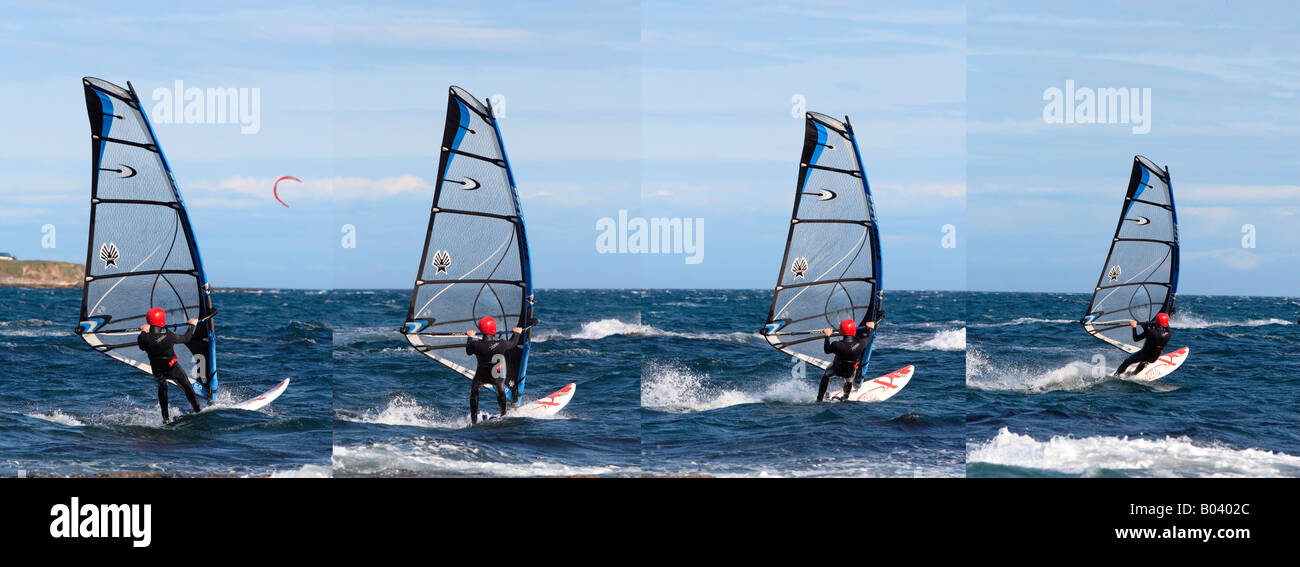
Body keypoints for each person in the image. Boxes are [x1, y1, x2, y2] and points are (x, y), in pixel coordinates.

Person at [136, 307, 202, 423]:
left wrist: (143, 331)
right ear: (162, 321)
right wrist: (192, 325)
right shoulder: (169, 336)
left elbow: (143, 345)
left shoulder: (143, 338)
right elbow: (186, 338)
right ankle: (197, 410)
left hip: (157, 370)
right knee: (187, 387)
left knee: (163, 389)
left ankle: (165, 418)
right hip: (172, 368)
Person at [465, 316, 524, 424]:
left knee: (474, 391)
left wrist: (470, 337)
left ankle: (474, 420)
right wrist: (517, 333)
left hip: (481, 376)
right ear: (494, 330)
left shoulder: (476, 344)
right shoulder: (501, 344)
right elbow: (513, 343)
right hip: (496, 375)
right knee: (500, 390)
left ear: (481, 330)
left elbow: (468, 351)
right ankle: (503, 414)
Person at [818, 318, 876, 402]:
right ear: (854, 331)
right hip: (849, 372)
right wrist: (870, 328)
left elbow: (827, 350)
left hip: (836, 370)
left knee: (826, 375)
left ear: (841, 332)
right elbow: (869, 337)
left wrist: (827, 336)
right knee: (849, 378)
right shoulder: (861, 343)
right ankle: (845, 397)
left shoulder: (836, 345)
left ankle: (819, 398)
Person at [1114, 312, 1172, 376]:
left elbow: (1136, 339)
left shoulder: (1150, 331)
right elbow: (1163, 326)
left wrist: (1134, 327)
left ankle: (1116, 375)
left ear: (1156, 321)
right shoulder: (1169, 333)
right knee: (1144, 362)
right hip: (1154, 358)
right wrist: (1148, 326)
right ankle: (1134, 374)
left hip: (1144, 354)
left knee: (1127, 361)